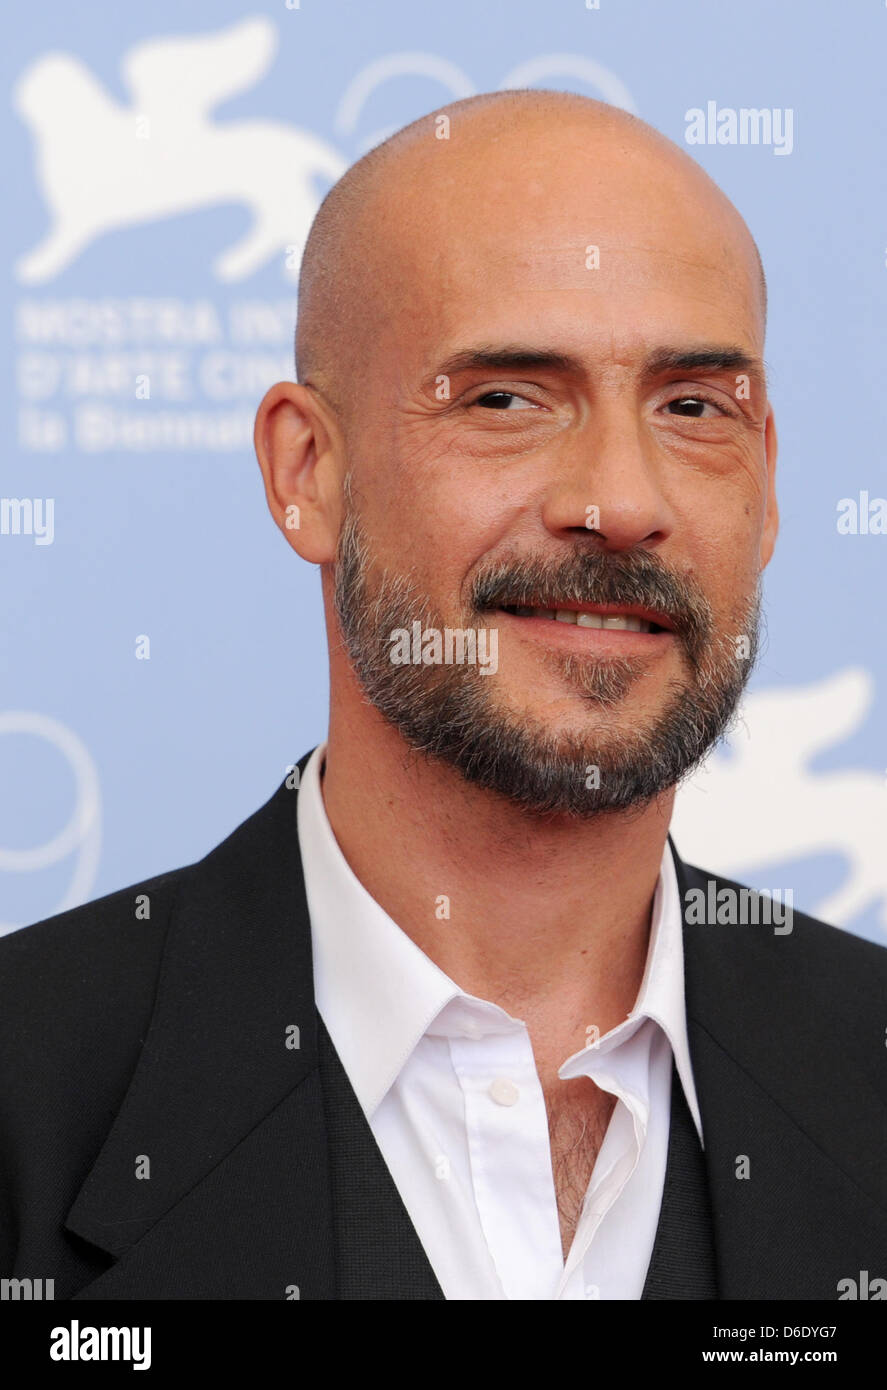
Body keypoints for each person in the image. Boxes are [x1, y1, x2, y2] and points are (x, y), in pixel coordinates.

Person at [2, 90, 885, 1302]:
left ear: (771, 484)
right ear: (307, 470)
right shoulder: (28, 1088)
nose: (620, 499)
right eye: (506, 399)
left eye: (690, 407)